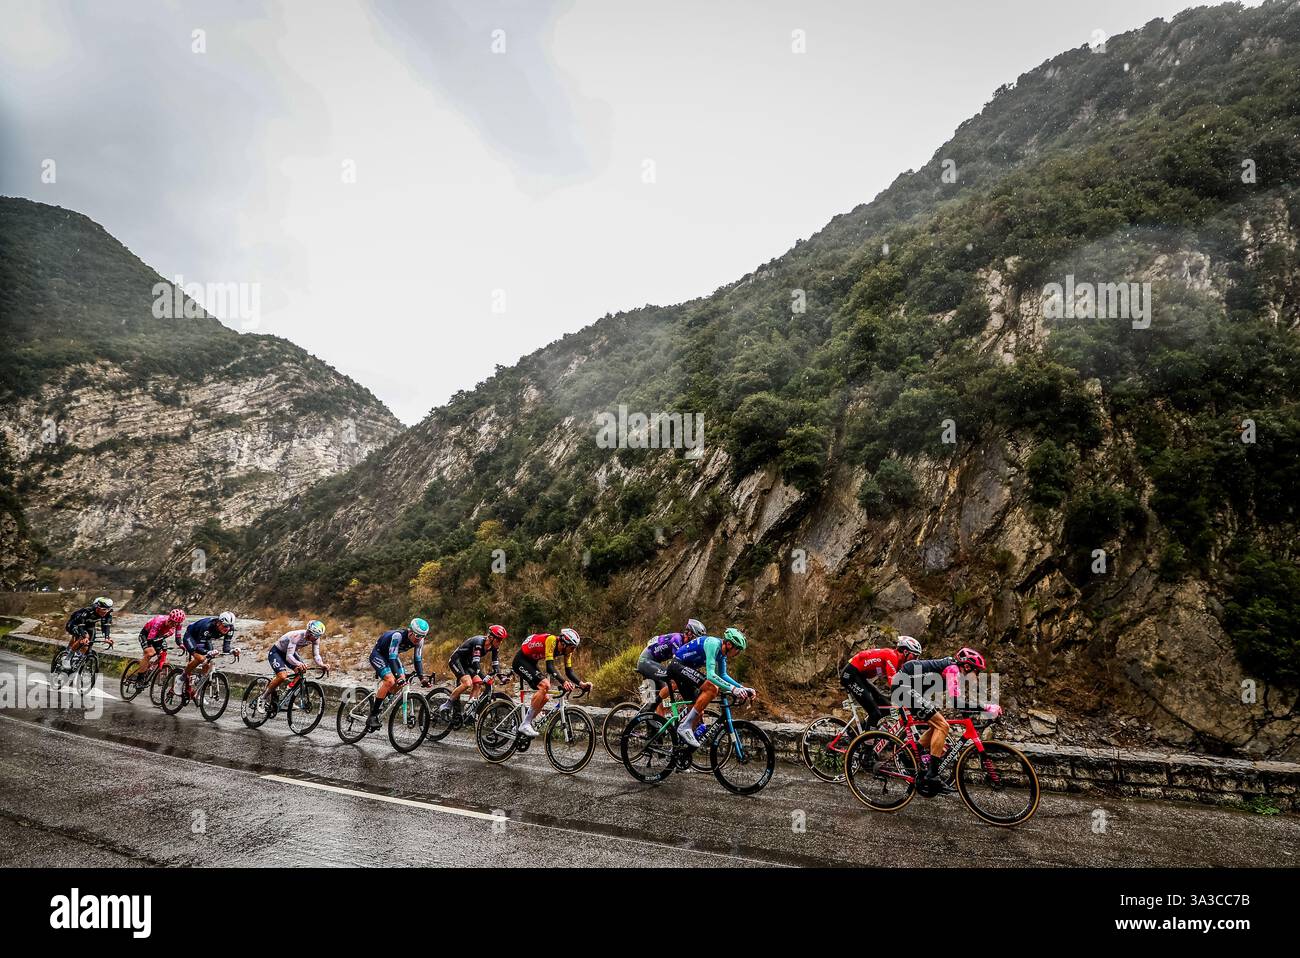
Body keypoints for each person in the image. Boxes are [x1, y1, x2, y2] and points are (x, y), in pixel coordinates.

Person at [892, 646, 1001, 791]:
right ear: (967, 666)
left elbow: (958, 703)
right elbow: (955, 702)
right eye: (977, 671)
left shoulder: (955, 670)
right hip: (904, 686)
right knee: (942, 726)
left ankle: (910, 754)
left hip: (911, 687)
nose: (977, 676)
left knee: (937, 725)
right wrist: (986, 707)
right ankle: (932, 775)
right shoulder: (953, 670)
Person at [668, 627, 754, 748]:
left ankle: (679, 750)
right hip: (677, 665)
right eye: (737, 649)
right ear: (729, 644)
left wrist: (742, 688)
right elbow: (711, 675)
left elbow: (723, 675)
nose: (737, 653)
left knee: (698, 712)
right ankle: (684, 726)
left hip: (686, 670)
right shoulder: (713, 644)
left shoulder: (722, 654)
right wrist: (734, 689)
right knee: (712, 688)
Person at [513, 628, 590, 738]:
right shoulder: (551, 640)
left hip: (532, 663)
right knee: (545, 685)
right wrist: (563, 682)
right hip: (521, 660)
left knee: (546, 696)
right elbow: (549, 668)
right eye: (572, 647)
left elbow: (569, 671)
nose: (573, 651)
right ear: (564, 643)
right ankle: (525, 725)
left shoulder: (567, 651)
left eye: (574, 648)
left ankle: (522, 725)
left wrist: (582, 684)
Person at [840, 635, 922, 728]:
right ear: (905, 652)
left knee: (886, 709)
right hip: (850, 674)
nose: (915, 660)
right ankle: (867, 740)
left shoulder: (899, 664)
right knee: (875, 713)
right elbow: (894, 683)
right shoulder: (892, 656)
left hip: (859, 676)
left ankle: (857, 734)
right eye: (914, 656)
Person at [366, 618, 431, 731]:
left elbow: (418, 660)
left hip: (393, 656)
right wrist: (397, 677)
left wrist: (422, 678)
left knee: (402, 682)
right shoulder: (398, 636)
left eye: (422, 636)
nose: (419, 639)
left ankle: (384, 699)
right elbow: (391, 658)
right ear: (410, 632)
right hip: (379, 654)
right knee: (390, 680)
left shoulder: (419, 641)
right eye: (417, 636)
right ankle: (372, 715)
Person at [443, 625, 508, 717]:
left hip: (468, 663)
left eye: (501, 640)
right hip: (457, 660)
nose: (500, 642)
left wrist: (500, 675)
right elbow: (476, 663)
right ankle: (447, 704)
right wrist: (484, 677)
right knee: (467, 683)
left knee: (478, 684)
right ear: (491, 637)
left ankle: (468, 713)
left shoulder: (494, 646)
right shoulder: (478, 642)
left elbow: (495, 663)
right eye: (498, 640)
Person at [637, 618, 706, 704]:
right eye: (696, 638)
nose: (696, 642)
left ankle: (654, 713)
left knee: (663, 696)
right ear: (689, 633)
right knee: (672, 682)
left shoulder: (685, 646)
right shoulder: (676, 639)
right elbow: (677, 664)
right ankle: (649, 707)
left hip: (654, 662)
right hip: (645, 661)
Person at [262, 620, 328, 708]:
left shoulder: (316, 639)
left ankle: (287, 696)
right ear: (309, 632)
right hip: (277, 652)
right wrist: (299, 663)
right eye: (315, 635)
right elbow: (288, 657)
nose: (316, 638)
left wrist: (322, 664)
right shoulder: (296, 636)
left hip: (290, 652)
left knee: (301, 670)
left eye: (318, 636)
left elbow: (316, 655)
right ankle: (263, 698)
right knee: (282, 676)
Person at [180, 612, 238, 694]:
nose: (227, 628)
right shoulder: (207, 626)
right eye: (225, 626)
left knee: (208, 662)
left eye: (229, 626)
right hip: (191, 636)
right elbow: (199, 648)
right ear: (219, 623)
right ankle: (181, 678)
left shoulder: (230, 628)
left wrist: (233, 651)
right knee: (200, 658)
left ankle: (198, 692)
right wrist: (208, 652)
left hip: (206, 638)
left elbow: (226, 648)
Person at [132, 608, 186, 681]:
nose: (174, 625)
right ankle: (140, 677)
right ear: (169, 619)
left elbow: (178, 638)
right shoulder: (159, 621)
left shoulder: (178, 624)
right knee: (150, 653)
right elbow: (150, 640)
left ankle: (151, 669)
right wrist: (157, 647)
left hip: (159, 636)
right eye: (173, 623)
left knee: (163, 655)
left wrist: (181, 645)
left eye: (177, 623)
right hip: (146, 635)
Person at [64, 597, 113, 662]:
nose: (105, 612)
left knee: (88, 645)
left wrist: (107, 638)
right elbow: (81, 625)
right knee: (85, 637)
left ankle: (78, 662)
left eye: (108, 609)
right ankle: (68, 658)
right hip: (75, 624)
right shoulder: (87, 611)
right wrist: (84, 637)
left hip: (89, 626)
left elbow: (106, 626)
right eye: (103, 609)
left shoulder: (107, 614)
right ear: (97, 607)